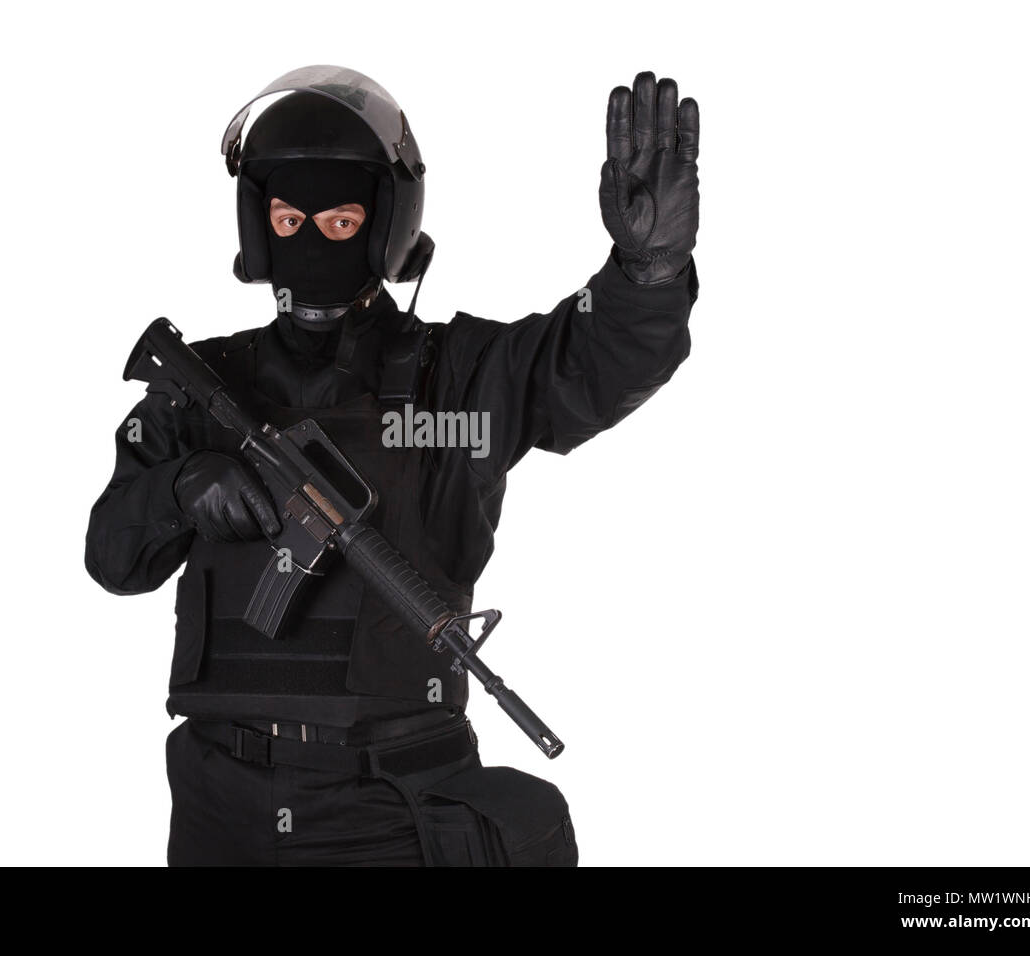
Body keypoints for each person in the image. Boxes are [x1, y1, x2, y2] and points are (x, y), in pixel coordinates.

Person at [85, 65, 700, 866]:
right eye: (288, 216)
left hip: (390, 808)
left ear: (386, 228)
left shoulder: (458, 376)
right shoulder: (200, 386)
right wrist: (178, 489)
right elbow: (111, 557)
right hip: (220, 805)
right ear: (257, 224)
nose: (311, 239)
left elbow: (593, 364)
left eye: (341, 223)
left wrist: (644, 277)